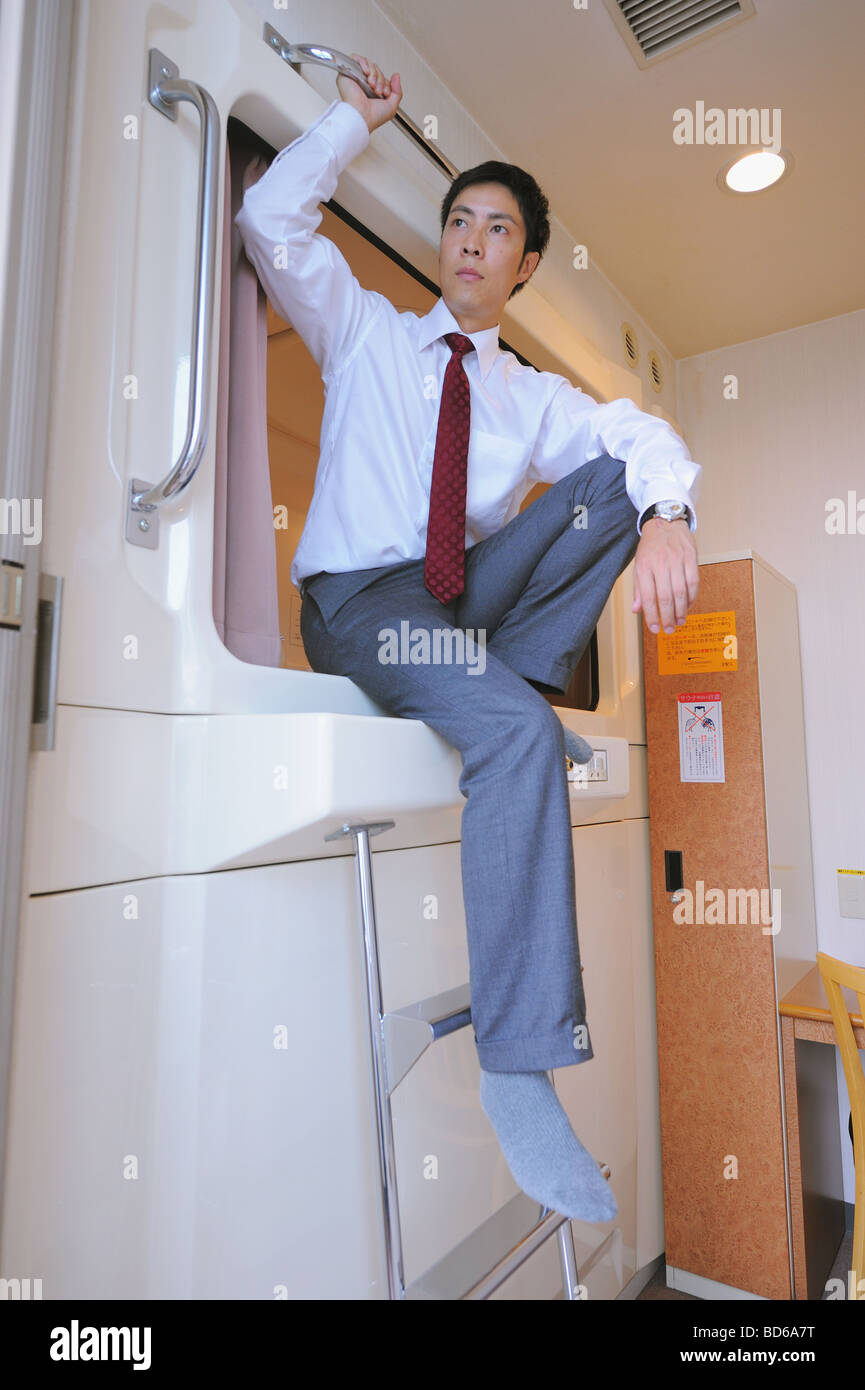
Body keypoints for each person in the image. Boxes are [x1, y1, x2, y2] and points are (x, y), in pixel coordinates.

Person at [234, 56, 700, 1223]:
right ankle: (517, 1057)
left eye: (497, 229)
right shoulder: (368, 333)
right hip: (363, 604)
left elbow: (634, 435)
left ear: (525, 263)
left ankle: (514, 688)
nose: (471, 242)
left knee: (607, 478)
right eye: (458, 222)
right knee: (510, 738)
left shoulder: (522, 394)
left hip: (457, 613)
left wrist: (668, 518)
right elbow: (267, 216)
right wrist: (357, 119)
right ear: (442, 244)